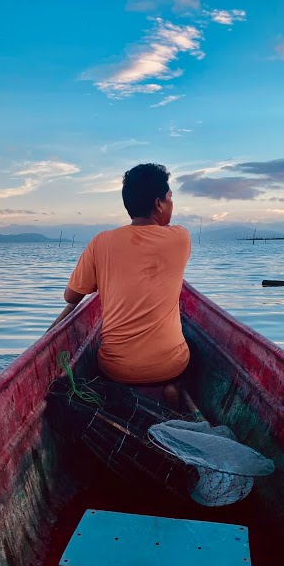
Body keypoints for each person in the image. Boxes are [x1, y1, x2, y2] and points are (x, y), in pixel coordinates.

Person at [63, 163, 194, 411]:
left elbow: (71, 296)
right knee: (193, 346)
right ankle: (174, 389)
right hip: (169, 369)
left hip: (115, 370)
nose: (171, 205)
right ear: (158, 204)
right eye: (169, 198)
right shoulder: (181, 238)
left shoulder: (101, 242)